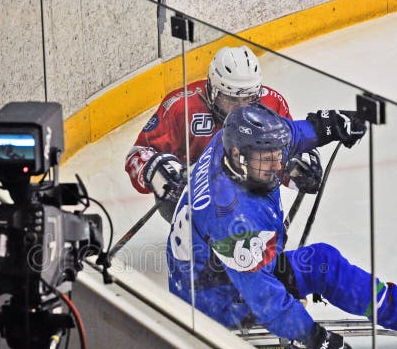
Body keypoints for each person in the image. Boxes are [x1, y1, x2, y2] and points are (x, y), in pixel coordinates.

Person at [166, 104, 397, 349]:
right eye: (267, 160)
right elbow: (266, 297)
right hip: (213, 303)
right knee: (322, 265)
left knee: (320, 261)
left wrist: (329, 126)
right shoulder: (234, 221)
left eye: (277, 156)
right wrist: (309, 337)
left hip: (208, 274)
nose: (278, 165)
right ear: (238, 155)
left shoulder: (228, 142)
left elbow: (291, 135)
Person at [124, 45, 293, 221]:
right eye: (232, 99)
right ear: (213, 91)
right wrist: (157, 169)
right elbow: (136, 154)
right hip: (191, 195)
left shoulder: (271, 104)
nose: (241, 108)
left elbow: (289, 149)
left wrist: (298, 167)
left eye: (249, 98)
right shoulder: (181, 108)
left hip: (248, 191)